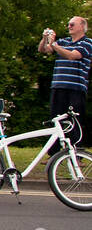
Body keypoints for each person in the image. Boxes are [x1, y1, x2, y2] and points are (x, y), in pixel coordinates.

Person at [39, 16, 91, 146]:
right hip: (58, 86)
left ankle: (76, 153)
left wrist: (54, 44)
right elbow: (44, 49)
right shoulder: (64, 41)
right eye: (68, 24)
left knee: (74, 121)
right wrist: (46, 38)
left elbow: (73, 55)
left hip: (76, 89)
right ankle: (54, 153)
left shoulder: (87, 42)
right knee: (56, 119)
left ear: (82, 26)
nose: (69, 26)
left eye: (72, 24)